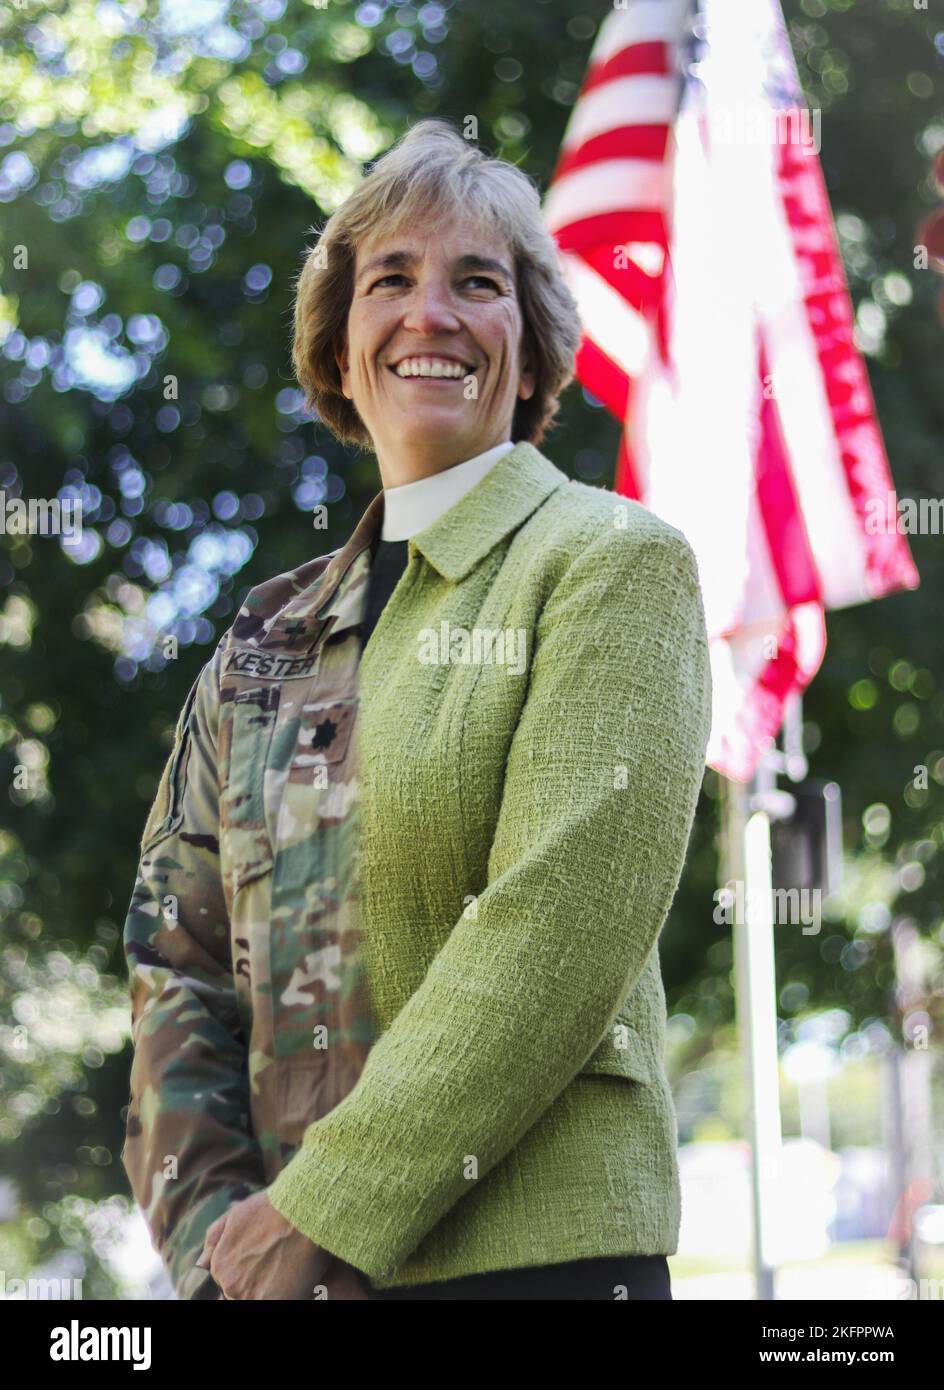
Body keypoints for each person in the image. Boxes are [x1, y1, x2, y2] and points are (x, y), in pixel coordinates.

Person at [121, 117, 712, 1301]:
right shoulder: (261, 641)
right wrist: (220, 1256)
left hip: (536, 1270)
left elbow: (557, 921)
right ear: (338, 353)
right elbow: (172, 961)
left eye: (476, 283)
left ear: (533, 356)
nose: (429, 313)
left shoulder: (606, 563)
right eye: (389, 279)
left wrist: (325, 1211)